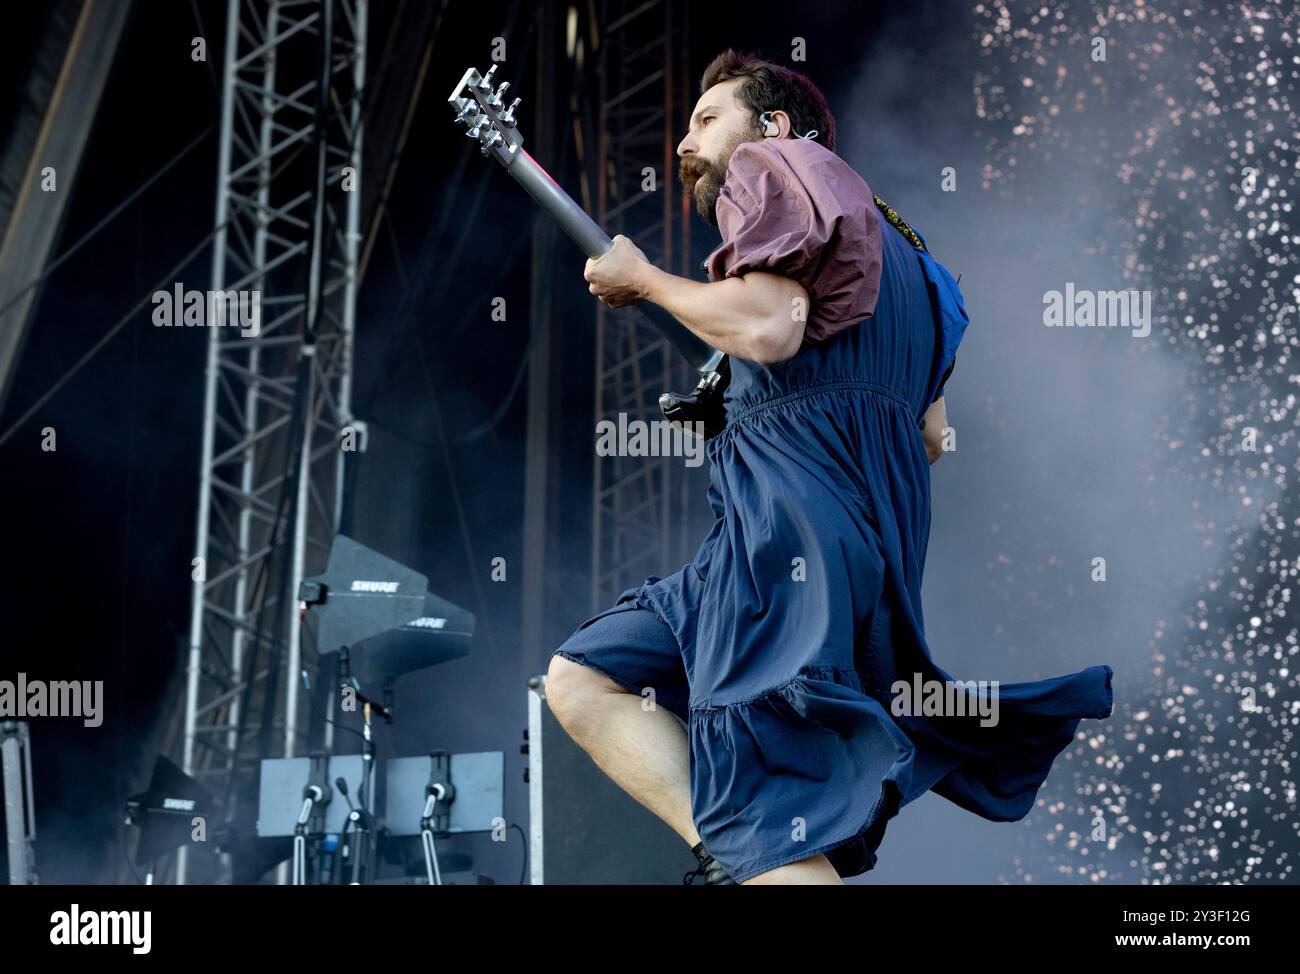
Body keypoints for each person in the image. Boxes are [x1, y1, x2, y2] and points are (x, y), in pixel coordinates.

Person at [546, 49, 1113, 885]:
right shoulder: (921, 264)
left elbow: (773, 326)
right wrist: (760, 401)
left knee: (771, 809)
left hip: (788, 530)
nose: (684, 144)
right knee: (583, 679)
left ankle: (755, 859)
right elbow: (927, 436)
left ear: (772, 125)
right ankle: (733, 858)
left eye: (707, 119)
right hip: (850, 541)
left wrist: (649, 282)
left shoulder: (774, 164)